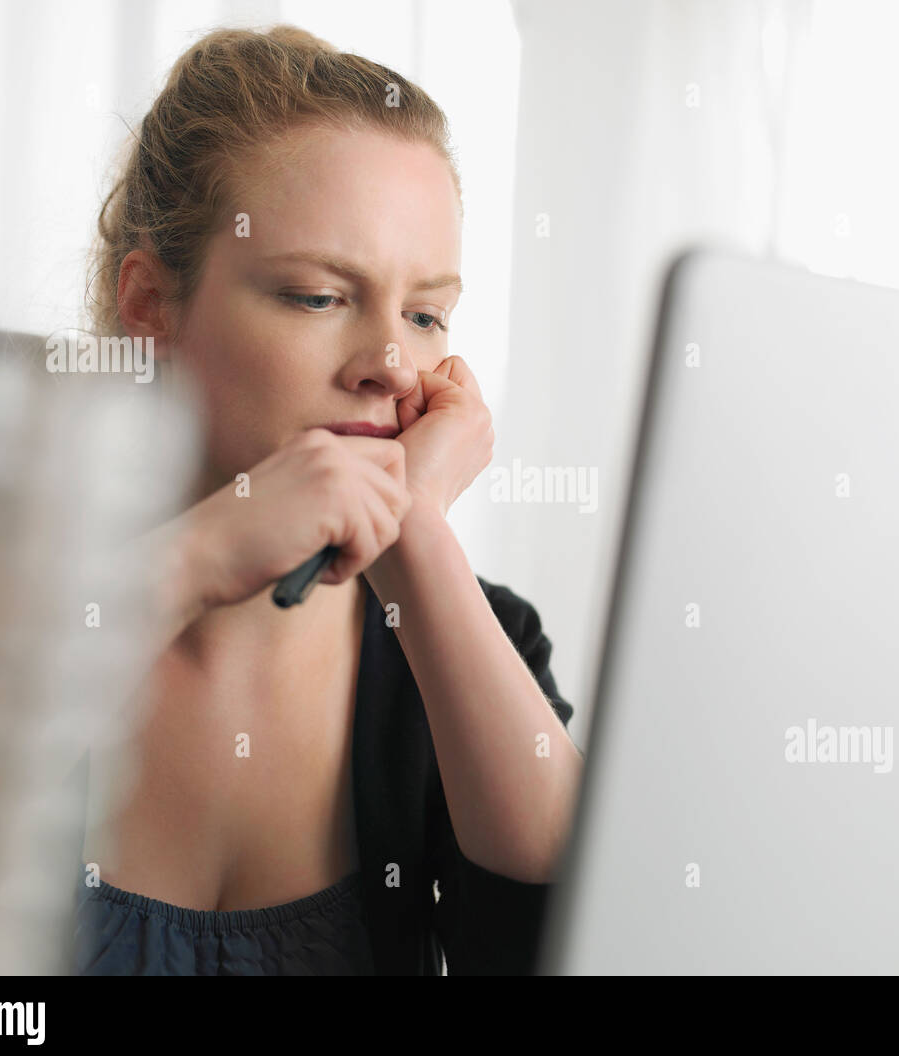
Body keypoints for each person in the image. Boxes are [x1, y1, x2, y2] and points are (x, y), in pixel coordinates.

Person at [69, 24, 583, 976]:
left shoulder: (467, 641)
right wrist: (193, 559)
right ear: (147, 306)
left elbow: (569, 936)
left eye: (426, 315)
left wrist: (414, 531)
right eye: (316, 296)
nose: (391, 366)